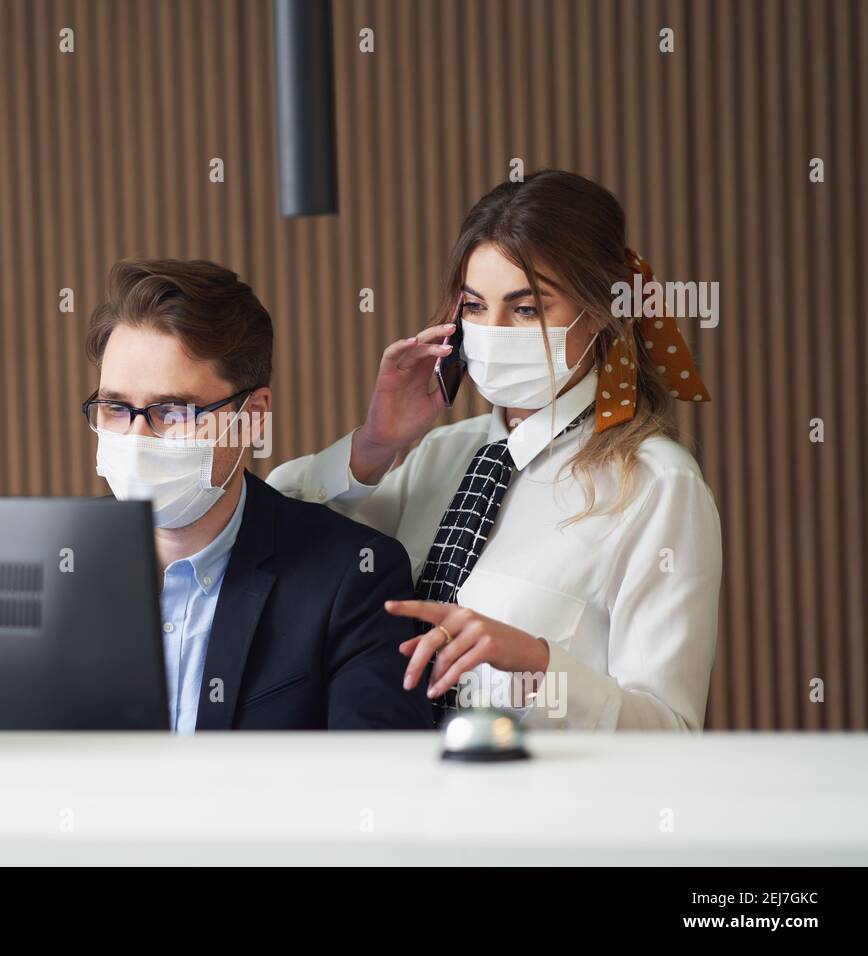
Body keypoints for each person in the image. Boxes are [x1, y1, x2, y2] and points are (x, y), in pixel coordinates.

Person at [268, 170, 723, 731]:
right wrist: (374, 442)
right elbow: (270, 533)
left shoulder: (657, 486)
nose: (494, 330)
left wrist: (537, 663)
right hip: (398, 797)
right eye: (475, 306)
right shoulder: (438, 455)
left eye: (528, 309)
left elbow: (671, 734)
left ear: (602, 310)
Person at [82, 258, 428, 732]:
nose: (140, 437)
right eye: (116, 408)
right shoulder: (58, 559)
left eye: (176, 411)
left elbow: (375, 785)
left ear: (253, 415)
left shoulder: (352, 579)